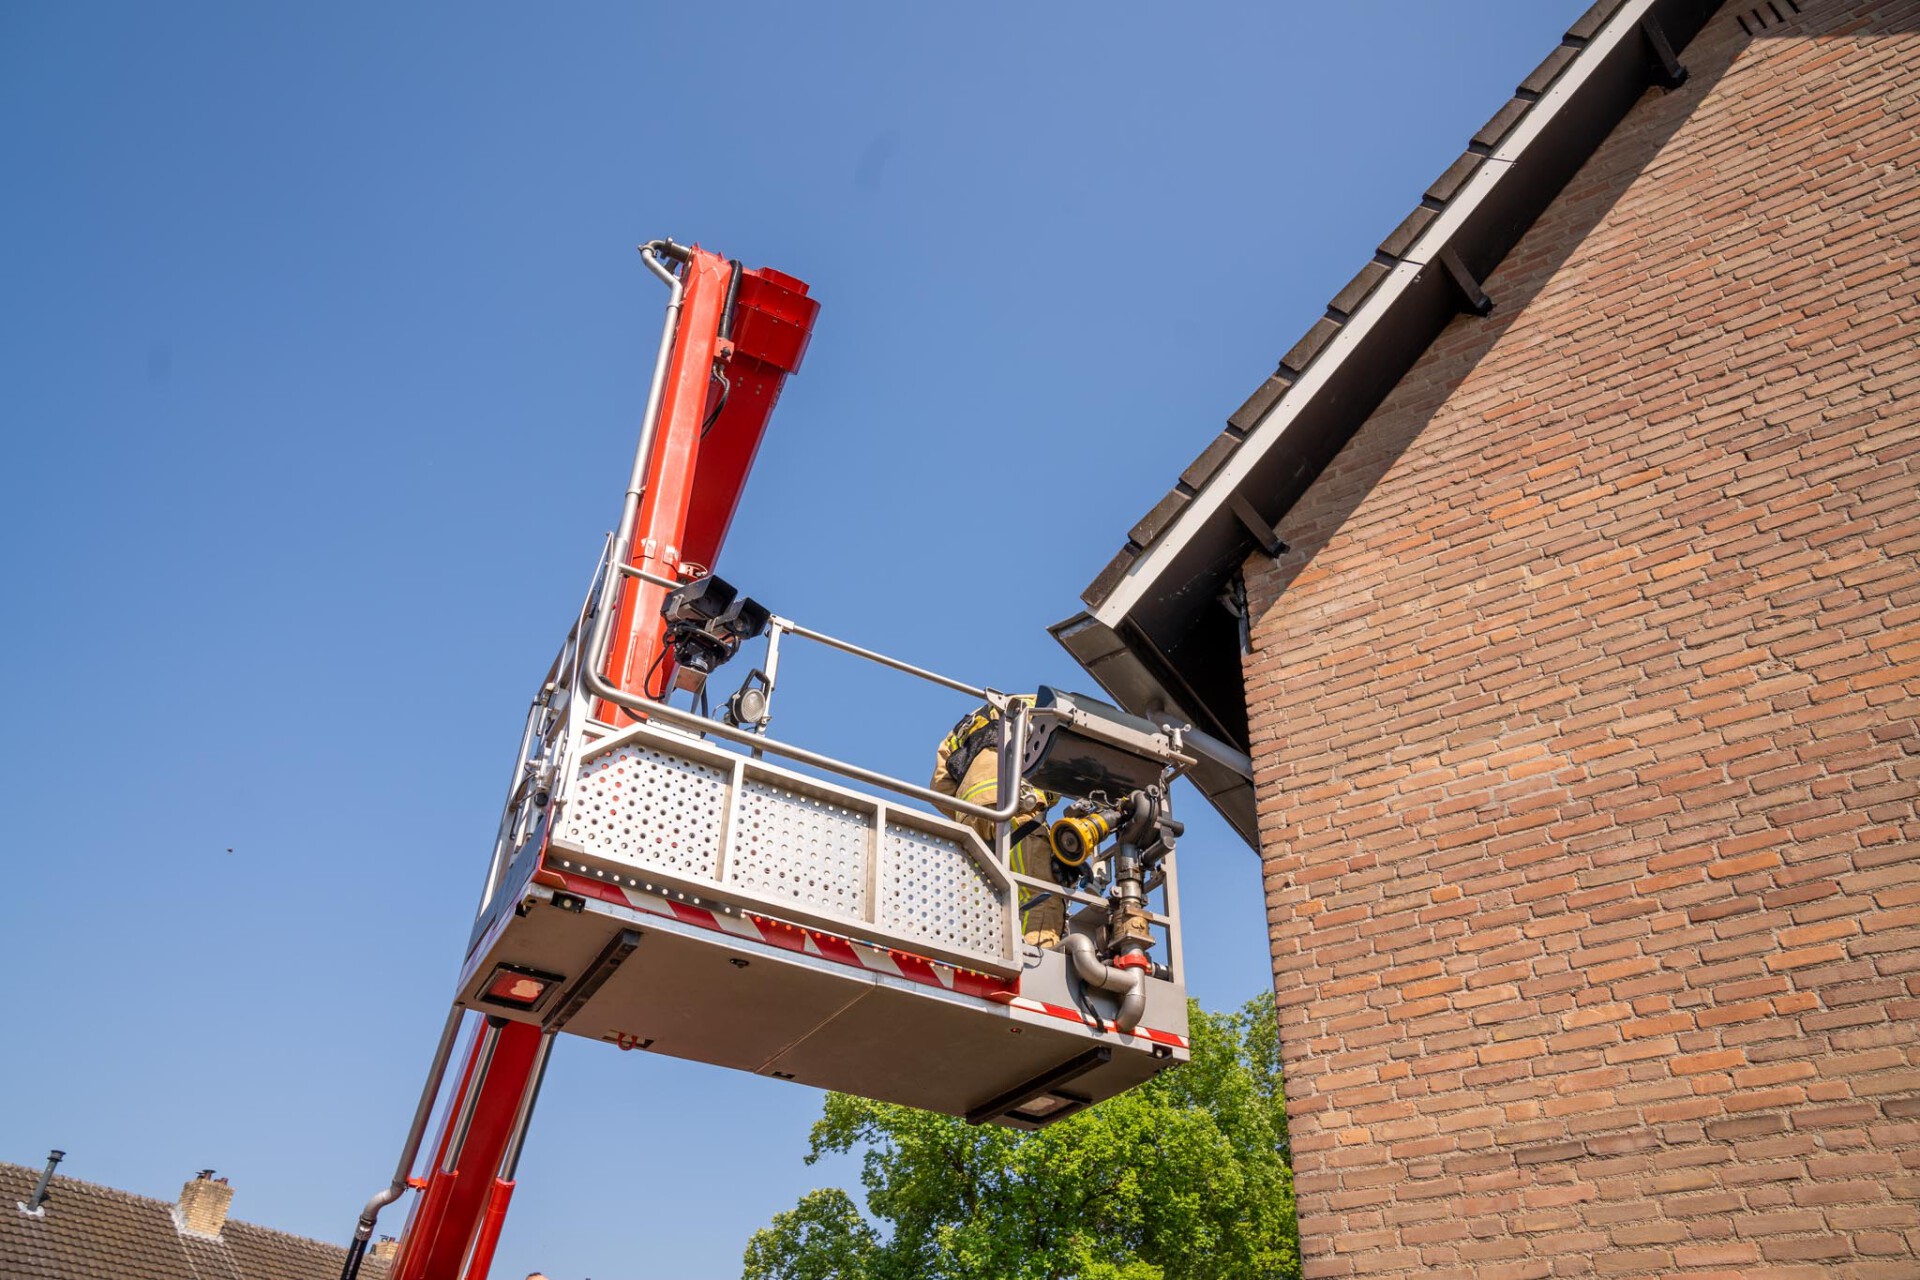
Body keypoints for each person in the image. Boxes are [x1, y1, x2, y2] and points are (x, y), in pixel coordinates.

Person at [930, 697, 1064, 947]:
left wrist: (968, 811)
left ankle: (978, 956)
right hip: (1017, 807)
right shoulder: (1046, 706)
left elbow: (939, 786)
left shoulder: (965, 725)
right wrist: (1046, 798)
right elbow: (1064, 754)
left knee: (981, 902)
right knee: (1036, 891)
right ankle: (1038, 951)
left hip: (971, 817)